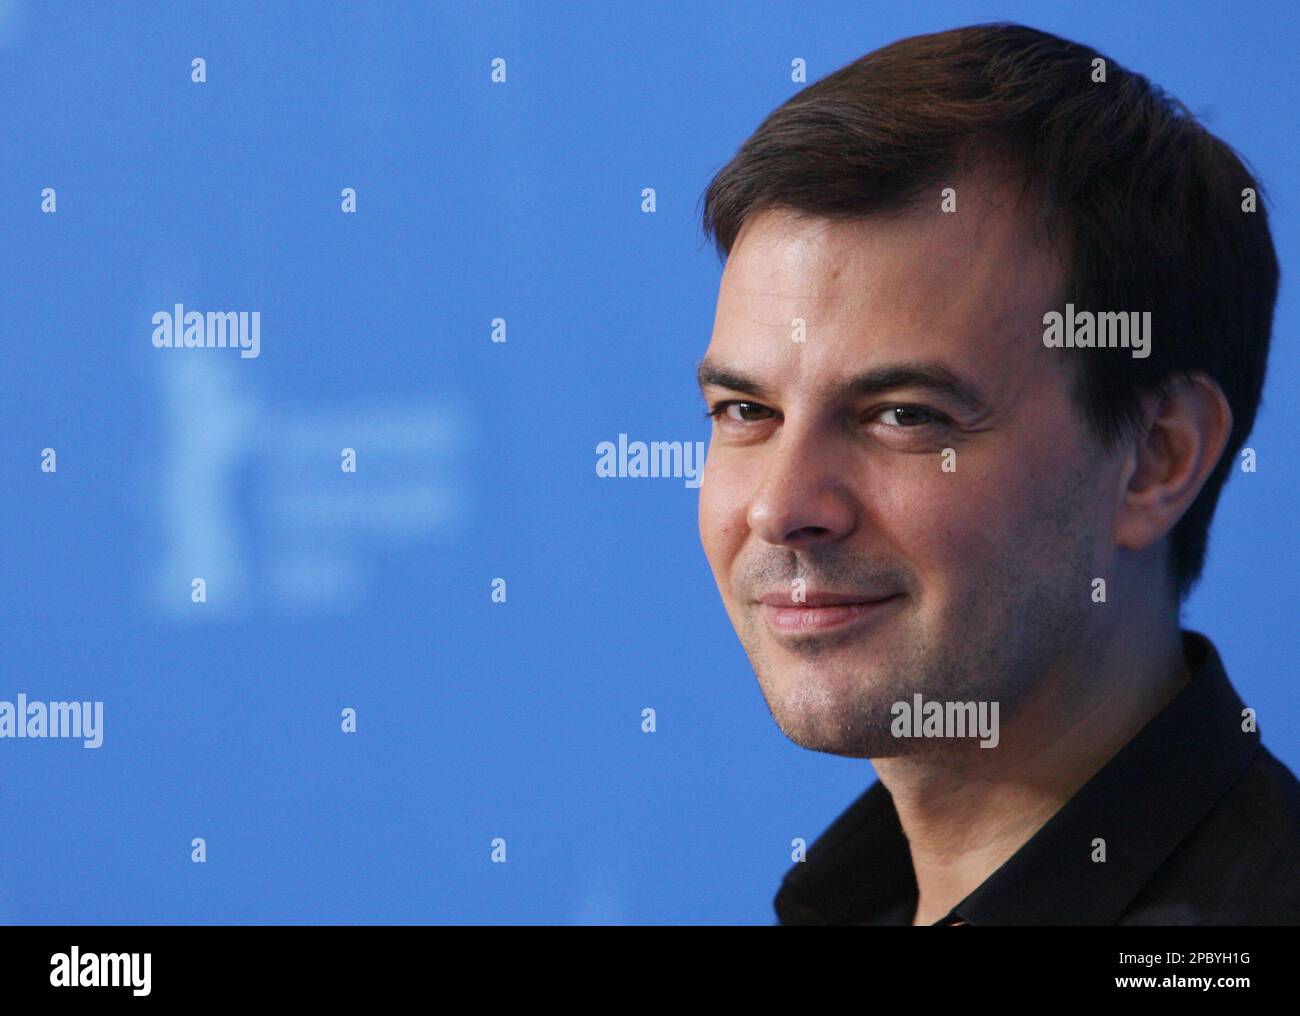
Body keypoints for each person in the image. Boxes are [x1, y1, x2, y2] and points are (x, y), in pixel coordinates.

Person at [694, 22, 1299, 925]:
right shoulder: (856, 900)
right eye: (747, 412)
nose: (782, 507)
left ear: (1157, 458)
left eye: (904, 415)